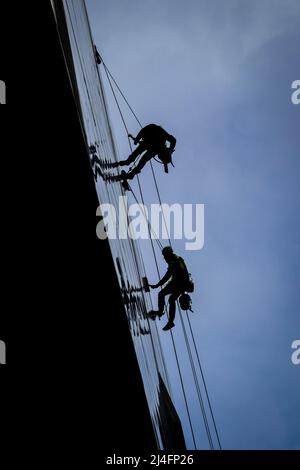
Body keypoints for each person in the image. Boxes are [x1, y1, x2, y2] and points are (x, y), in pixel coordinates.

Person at [149, 246, 190, 331]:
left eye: (165, 255)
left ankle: (161, 313)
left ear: (169, 254)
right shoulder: (176, 260)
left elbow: (168, 276)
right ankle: (169, 321)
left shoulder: (174, 262)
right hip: (180, 283)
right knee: (171, 299)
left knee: (162, 294)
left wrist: (157, 285)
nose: (164, 258)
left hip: (179, 283)